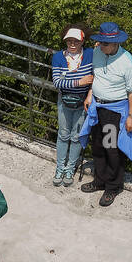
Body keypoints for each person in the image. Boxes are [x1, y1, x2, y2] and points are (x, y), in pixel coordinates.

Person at [79, 21, 132, 206]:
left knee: (112, 149)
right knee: (98, 146)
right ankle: (99, 180)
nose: (101, 45)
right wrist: (90, 95)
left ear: (116, 43)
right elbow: (96, 76)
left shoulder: (128, 63)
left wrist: (131, 117)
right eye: (100, 42)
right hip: (97, 108)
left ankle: (113, 187)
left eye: (105, 43)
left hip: (113, 111)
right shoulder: (98, 52)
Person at [50, 25, 94, 186]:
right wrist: (80, 82)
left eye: (76, 40)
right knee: (63, 134)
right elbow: (57, 82)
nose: (72, 44)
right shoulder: (58, 57)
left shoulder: (90, 54)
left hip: (83, 102)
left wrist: (87, 91)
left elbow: (95, 75)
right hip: (64, 101)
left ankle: (70, 168)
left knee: (76, 137)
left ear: (82, 41)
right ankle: (60, 167)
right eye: (69, 40)